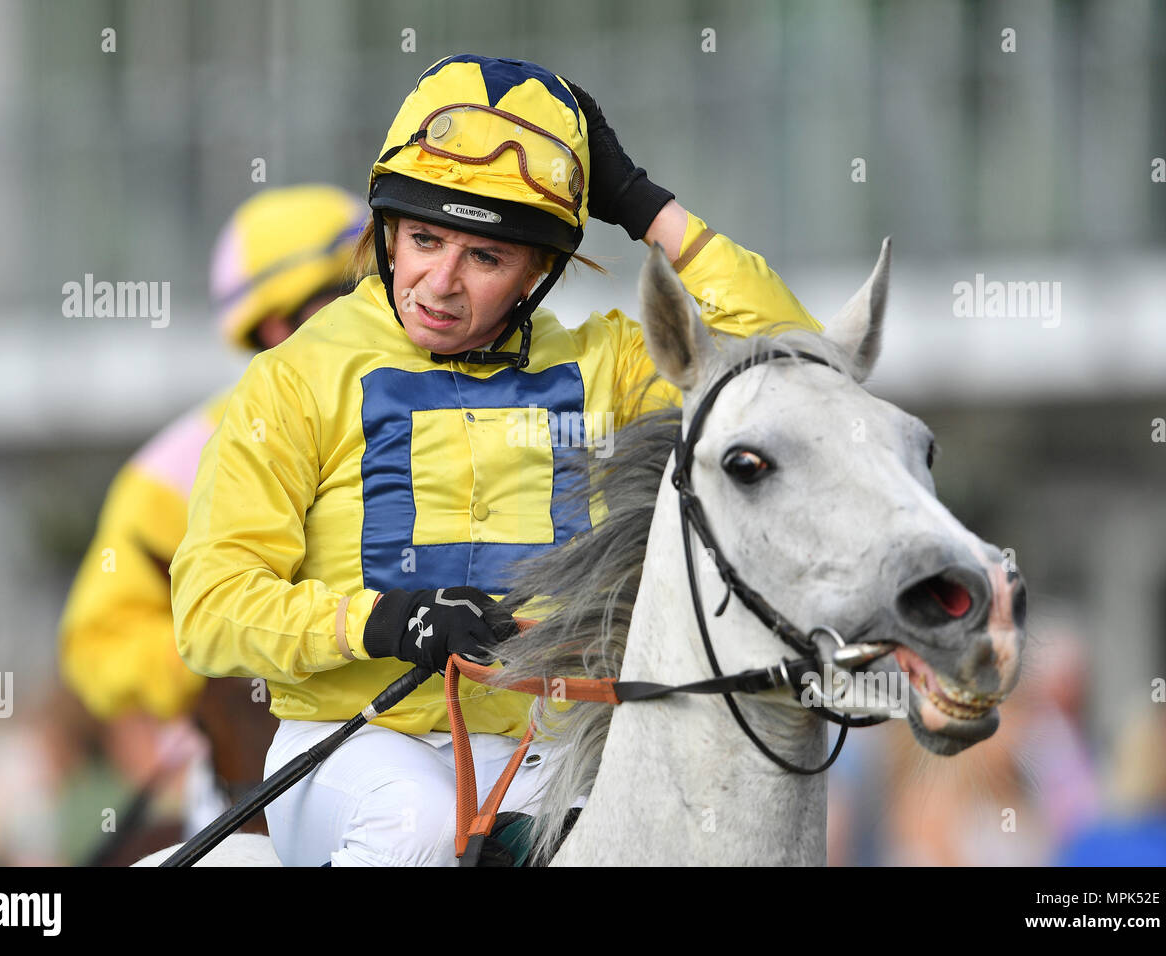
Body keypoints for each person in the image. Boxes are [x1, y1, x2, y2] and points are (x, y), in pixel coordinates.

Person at [171, 54, 821, 866]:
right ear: (386, 231)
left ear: (538, 271)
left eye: (484, 258)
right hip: (359, 749)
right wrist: (382, 619)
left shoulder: (609, 367)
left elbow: (793, 377)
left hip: (553, 751)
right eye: (423, 239)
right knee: (416, 828)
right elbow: (209, 610)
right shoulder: (294, 379)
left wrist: (648, 210)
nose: (438, 283)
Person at [58, 184, 367, 842]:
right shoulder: (168, 473)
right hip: (253, 769)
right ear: (277, 327)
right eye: (351, 294)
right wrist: (224, 647)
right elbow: (95, 642)